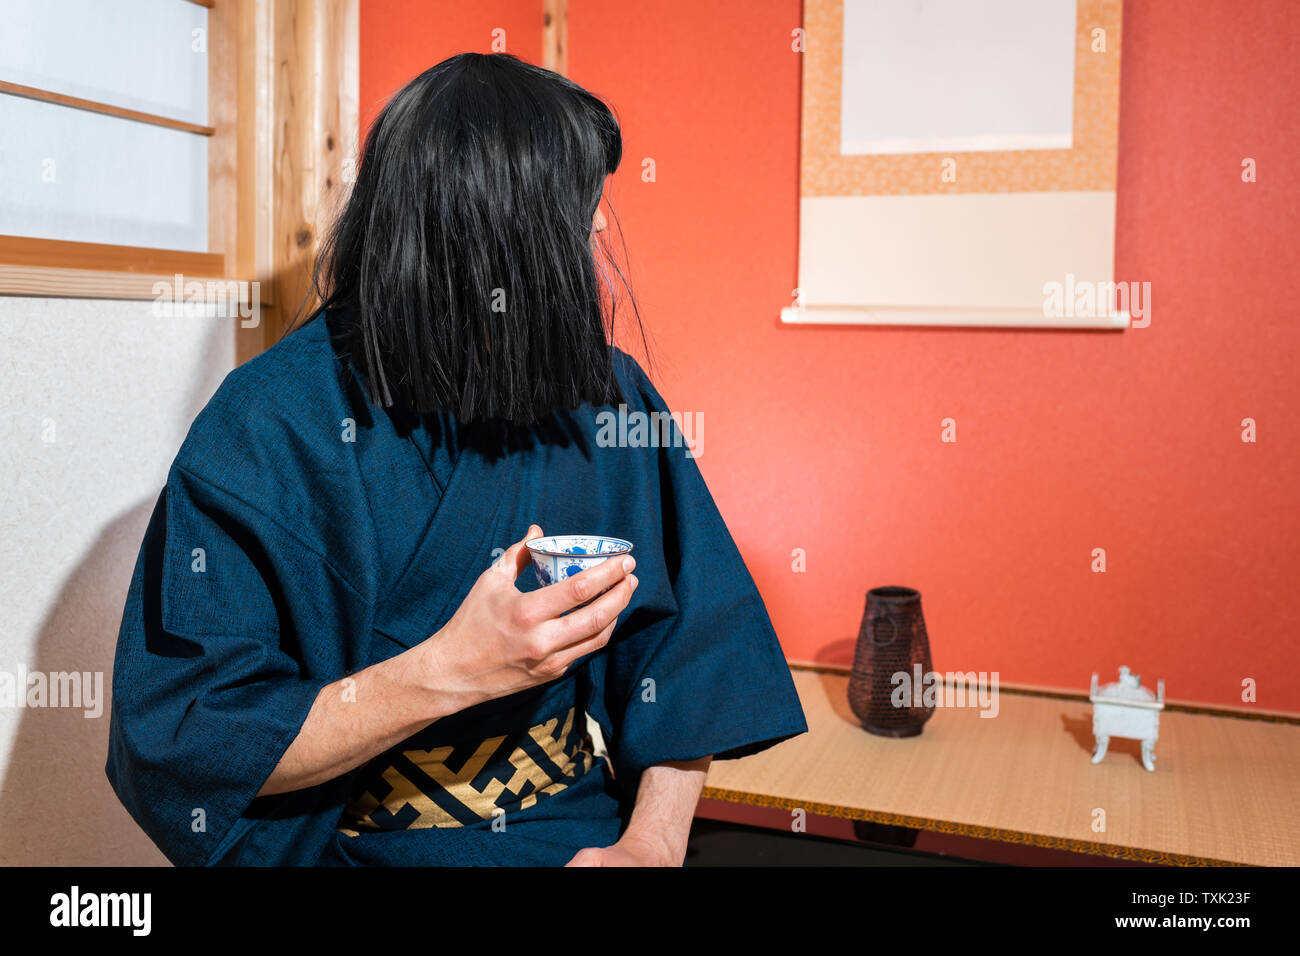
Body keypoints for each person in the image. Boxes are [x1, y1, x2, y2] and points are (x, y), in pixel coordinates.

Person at [105, 52, 807, 867]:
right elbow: (192, 734)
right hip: (348, 848)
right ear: (502, 229)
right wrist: (452, 668)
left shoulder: (607, 397)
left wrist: (650, 846)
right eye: (582, 206)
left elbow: (692, 657)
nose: (599, 230)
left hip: (574, 836)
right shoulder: (270, 424)